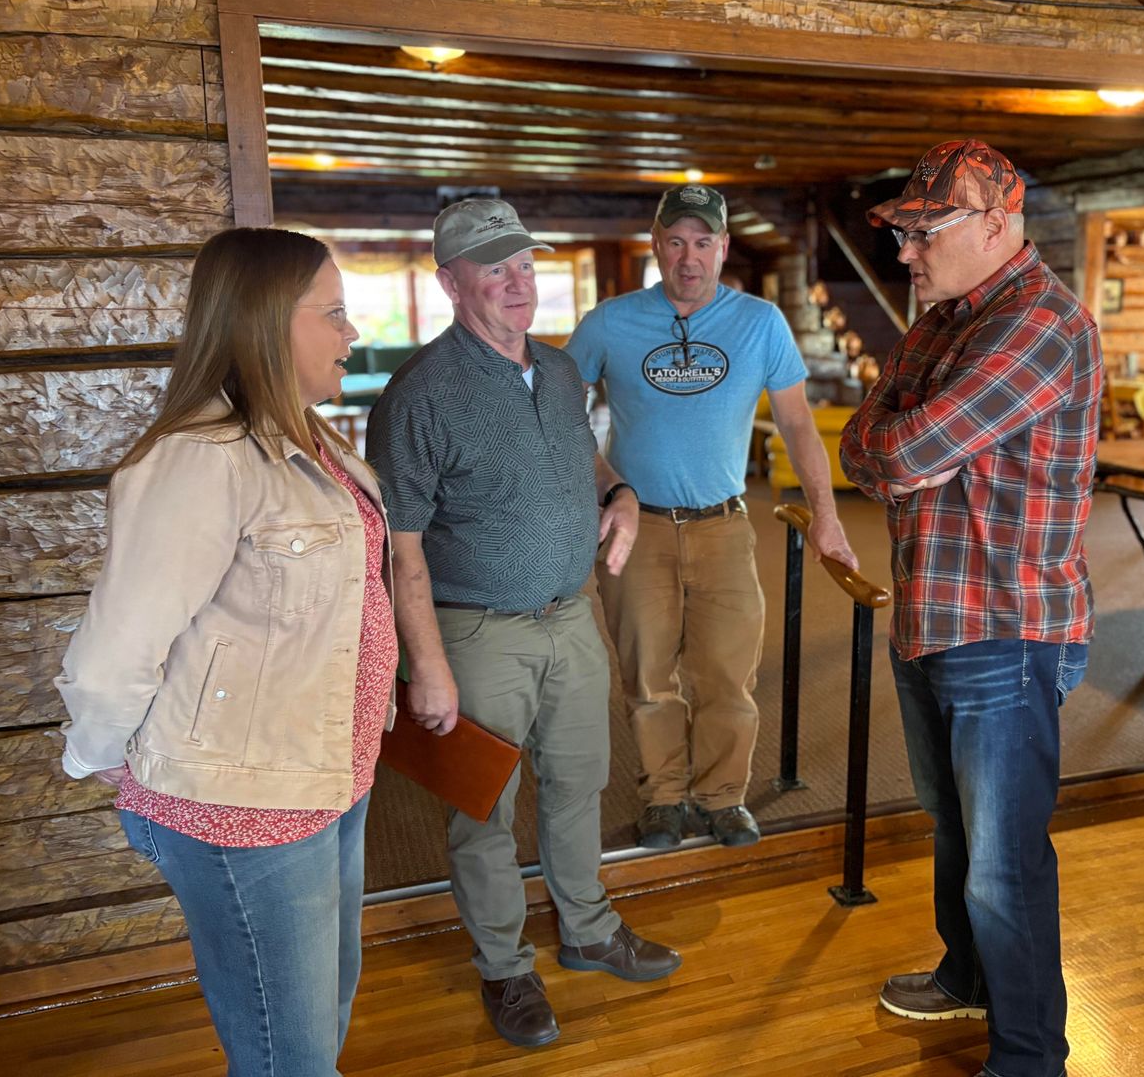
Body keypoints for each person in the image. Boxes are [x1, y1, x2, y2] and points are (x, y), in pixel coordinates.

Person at [57, 227, 394, 1077]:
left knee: (320, 1020)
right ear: (267, 321)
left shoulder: (313, 441)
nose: (351, 332)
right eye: (334, 313)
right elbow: (113, 654)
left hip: (327, 778)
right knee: (290, 1056)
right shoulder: (200, 461)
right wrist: (106, 756)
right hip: (246, 806)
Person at [366, 198, 680, 1050]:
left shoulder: (560, 370)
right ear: (450, 283)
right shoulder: (418, 396)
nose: (518, 283)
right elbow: (400, 550)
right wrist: (426, 665)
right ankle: (505, 967)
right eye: (495, 268)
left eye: (525, 264)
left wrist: (620, 491)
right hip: (476, 634)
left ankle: (588, 928)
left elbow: (585, 457)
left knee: (581, 782)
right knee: (483, 811)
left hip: (571, 617)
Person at [840, 139, 1102, 1077]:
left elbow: (904, 452)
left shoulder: (1040, 322)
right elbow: (862, 444)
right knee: (954, 829)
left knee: (1004, 859)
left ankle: (1030, 1056)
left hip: (1006, 627)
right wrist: (900, 447)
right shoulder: (941, 322)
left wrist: (904, 448)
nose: (904, 251)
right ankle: (970, 977)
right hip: (934, 614)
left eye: (923, 231)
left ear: (996, 223)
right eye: (902, 232)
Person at [566, 183, 858, 850]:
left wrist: (827, 514)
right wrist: (607, 485)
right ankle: (664, 797)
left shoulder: (761, 323)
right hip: (638, 528)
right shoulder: (608, 323)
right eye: (675, 242)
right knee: (649, 675)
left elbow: (798, 425)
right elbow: (559, 414)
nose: (689, 257)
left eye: (703, 242)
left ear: (724, 247)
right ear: (656, 246)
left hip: (725, 525)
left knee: (727, 675)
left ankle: (723, 796)